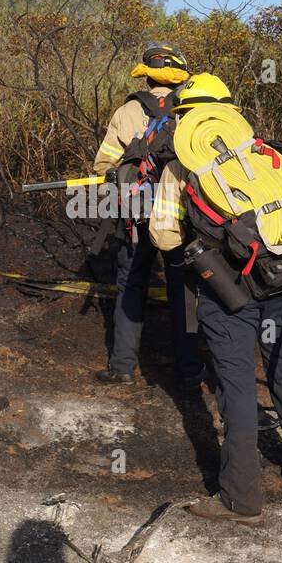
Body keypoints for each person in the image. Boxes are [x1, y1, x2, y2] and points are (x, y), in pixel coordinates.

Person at [148, 76, 282, 525]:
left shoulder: (180, 168)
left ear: (183, 118)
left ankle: (241, 500)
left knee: (235, 385)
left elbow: (165, 236)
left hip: (229, 291)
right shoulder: (269, 152)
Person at [92, 42, 201, 387]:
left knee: (130, 284)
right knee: (183, 289)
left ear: (148, 76)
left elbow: (103, 167)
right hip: (180, 218)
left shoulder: (127, 112)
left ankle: (122, 367)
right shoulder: (193, 112)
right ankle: (190, 370)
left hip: (135, 217)